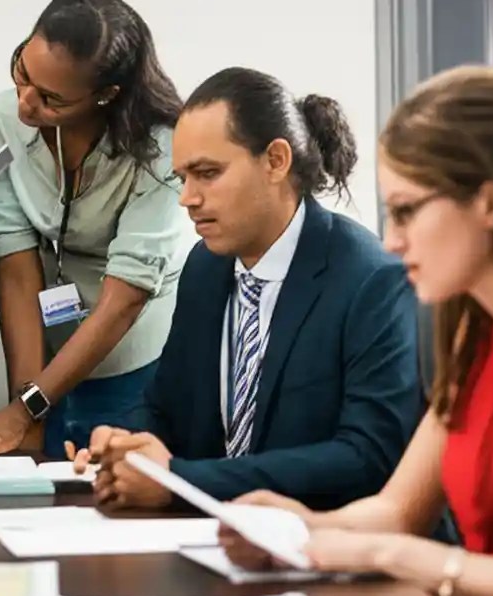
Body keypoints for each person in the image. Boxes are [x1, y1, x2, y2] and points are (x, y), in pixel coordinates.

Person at [220, 67, 493, 596]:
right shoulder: (476, 332)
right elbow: (399, 510)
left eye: (406, 212)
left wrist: (389, 555)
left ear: (489, 203)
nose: (392, 241)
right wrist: (298, 526)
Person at [77, 67, 421, 510]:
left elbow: (367, 457)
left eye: (207, 173)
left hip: (317, 538)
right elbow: (165, 407)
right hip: (210, 538)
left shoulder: (371, 278)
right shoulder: (204, 268)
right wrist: (123, 443)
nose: (187, 198)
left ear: (276, 161)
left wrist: (181, 482)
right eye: (182, 178)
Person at [0, 0, 196, 460]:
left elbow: (125, 299)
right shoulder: (1, 122)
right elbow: (16, 269)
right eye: (22, 72)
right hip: (47, 358)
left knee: (118, 493)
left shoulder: (162, 149)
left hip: (134, 359)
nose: (25, 104)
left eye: (51, 99)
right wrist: (28, 409)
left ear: (106, 96)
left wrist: (26, 408)